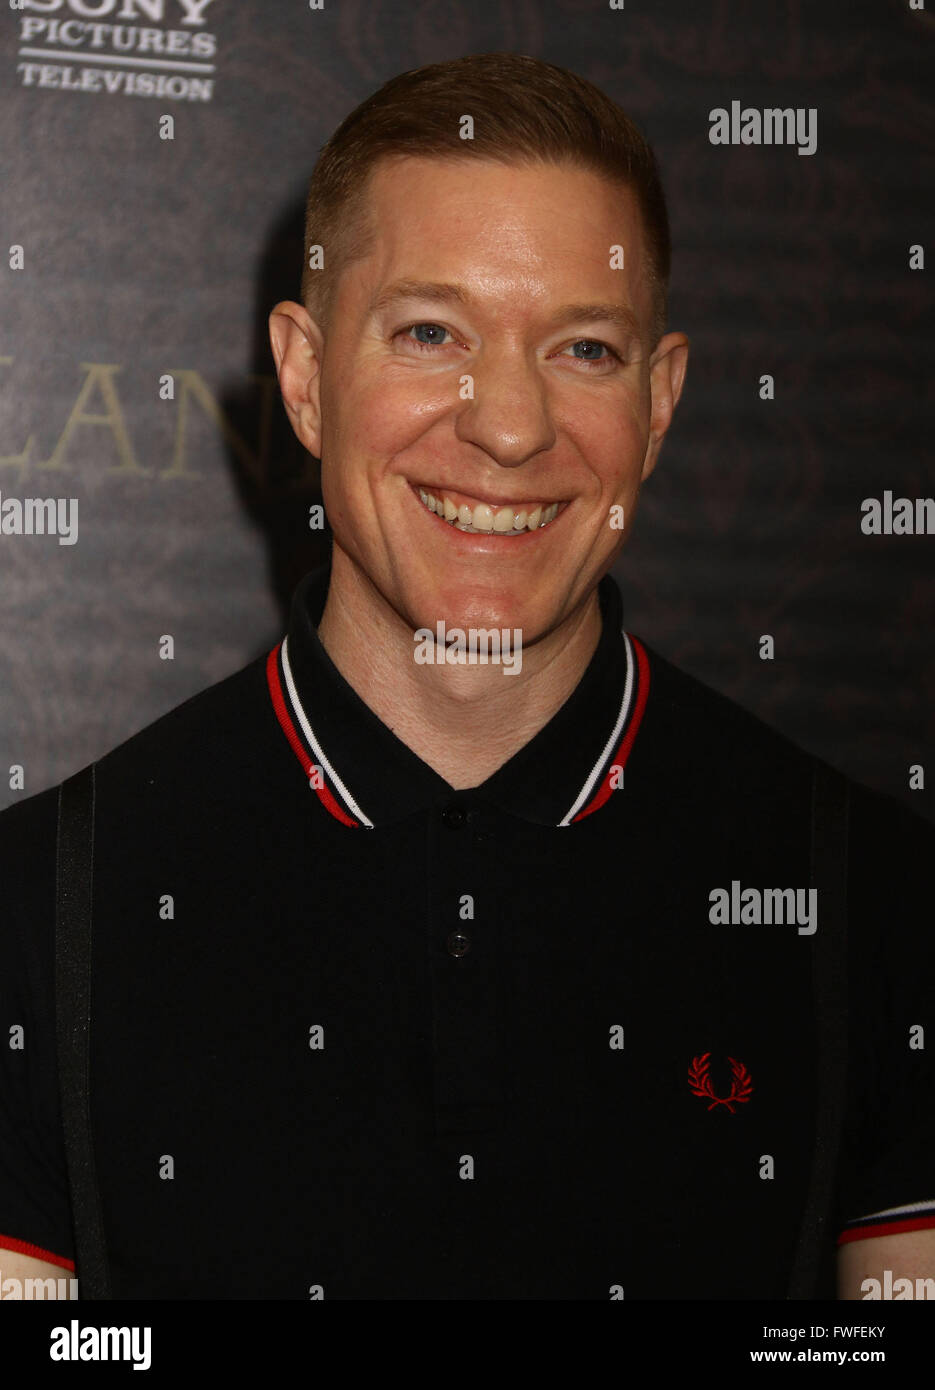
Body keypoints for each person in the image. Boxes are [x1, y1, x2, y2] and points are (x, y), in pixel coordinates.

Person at [1, 52, 932, 1301]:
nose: (506, 423)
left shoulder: (876, 906)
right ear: (303, 375)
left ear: (658, 408)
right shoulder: (37, 913)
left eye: (584, 349)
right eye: (429, 331)